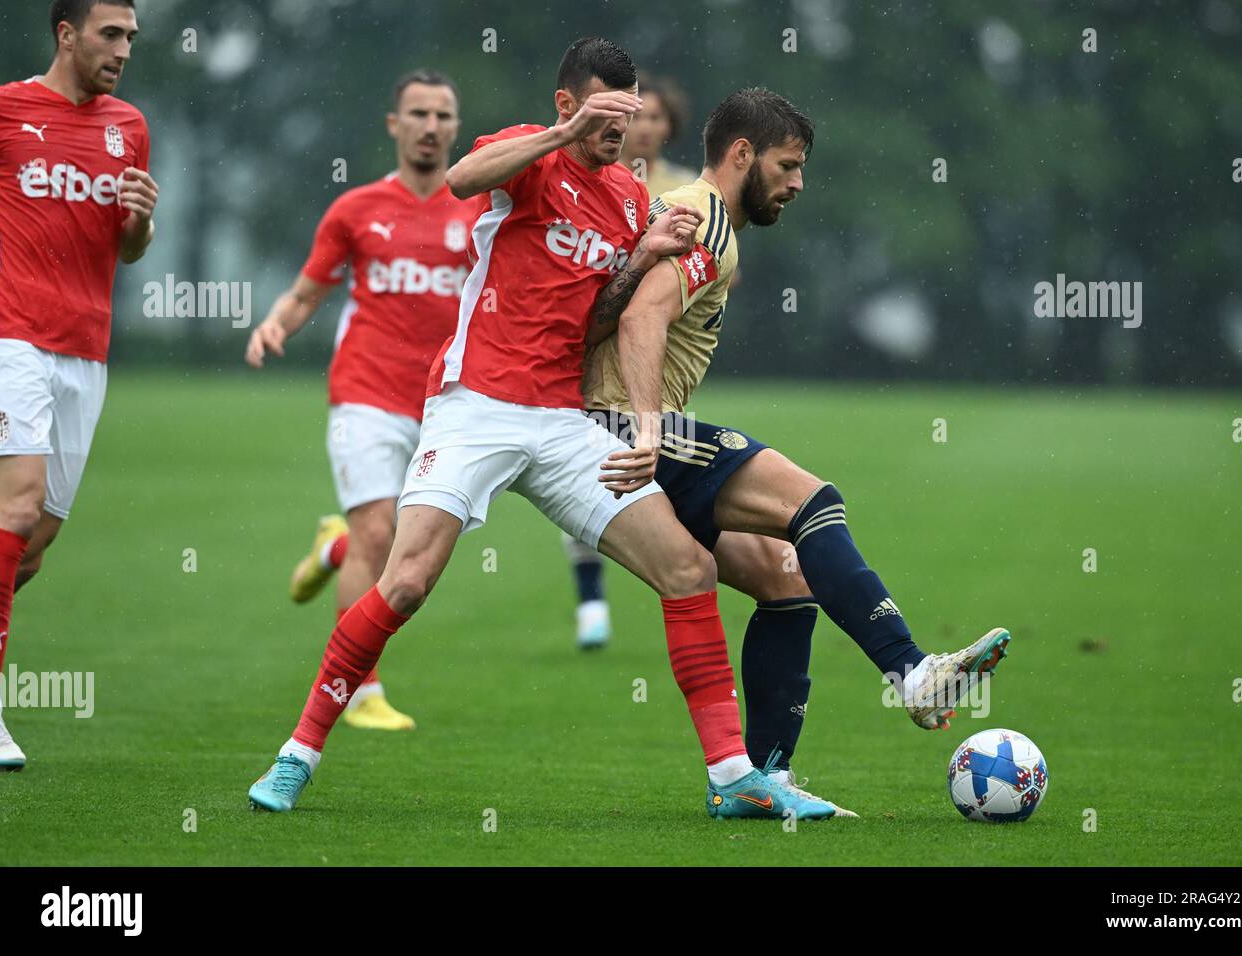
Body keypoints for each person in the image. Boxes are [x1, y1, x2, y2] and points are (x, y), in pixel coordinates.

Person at [246, 39, 837, 821]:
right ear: (567, 105)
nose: (620, 131)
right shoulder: (525, 154)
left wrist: (642, 258)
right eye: (606, 114)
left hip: (565, 422)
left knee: (689, 568)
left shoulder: (632, 197)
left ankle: (733, 776)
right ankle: (297, 755)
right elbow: (459, 181)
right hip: (476, 405)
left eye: (629, 117)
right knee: (408, 577)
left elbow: (606, 317)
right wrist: (562, 138)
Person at [586, 89, 1012, 811]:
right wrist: (651, 429)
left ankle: (762, 781)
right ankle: (912, 672)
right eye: (788, 165)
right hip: (617, 431)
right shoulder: (706, 219)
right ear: (742, 155)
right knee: (814, 503)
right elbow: (642, 319)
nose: (798, 183)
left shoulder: (691, 210)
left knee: (788, 577)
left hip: (612, 430)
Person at [245, 70, 479, 732]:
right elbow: (306, 291)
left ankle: (331, 549)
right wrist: (274, 325)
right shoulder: (355, 210)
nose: (431, 126)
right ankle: (361, 691)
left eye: (442, 115)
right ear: (394, 125)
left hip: (443, 404)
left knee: (408, 552)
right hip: (365, 394)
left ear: (456, 128)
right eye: (418, 114)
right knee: (380, 535)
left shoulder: (478, 213)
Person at [0, 0, 157, 770]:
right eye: (110, 34)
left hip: (86, 351)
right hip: (11, 335)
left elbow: (127, 254)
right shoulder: (4, 110)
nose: (123, 49)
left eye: (130, 37)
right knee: (17, 504)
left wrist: (141, 224)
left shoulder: (130, 126)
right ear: (67, 34)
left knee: (33, 544)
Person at [564, 72, 700, 651]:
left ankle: (679, 576)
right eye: (636, 115)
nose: (643, 126)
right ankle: (592, 600)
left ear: (669, 127)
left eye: (655, 118)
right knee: (584, 468)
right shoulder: (599, 180)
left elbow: (712, 267)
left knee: (656, 465)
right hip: (594, 349)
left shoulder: (684, 190)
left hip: (654, 356)